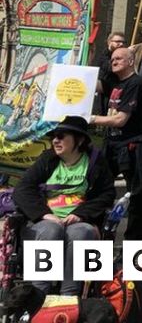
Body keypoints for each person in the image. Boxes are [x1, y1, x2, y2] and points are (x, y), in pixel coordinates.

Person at [14, 116, 115, 296]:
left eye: (61, 136)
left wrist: (80, 214)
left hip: (80, 220)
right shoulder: (47, 160)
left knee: (80, 233)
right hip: (46, 220)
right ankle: (39, 295)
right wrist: (45, 214)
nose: (55, 140)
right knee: (51, 230)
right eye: (54, 136)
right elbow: (22, 190)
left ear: (80, 140)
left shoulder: (95, 162)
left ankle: (69, 296)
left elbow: (107, 194)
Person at [89, 47, 142, 240]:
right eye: (112, 59)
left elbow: (120, 120)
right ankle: (98, 234)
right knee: (99, 187)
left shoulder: (136, 83)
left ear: (131, 61)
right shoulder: (115, 83)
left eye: (119, 59)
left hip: (134, 146)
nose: (114, 62)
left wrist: (90, 118)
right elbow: (92, 85)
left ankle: (133, 243)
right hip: (113, 145)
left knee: (136, 197)